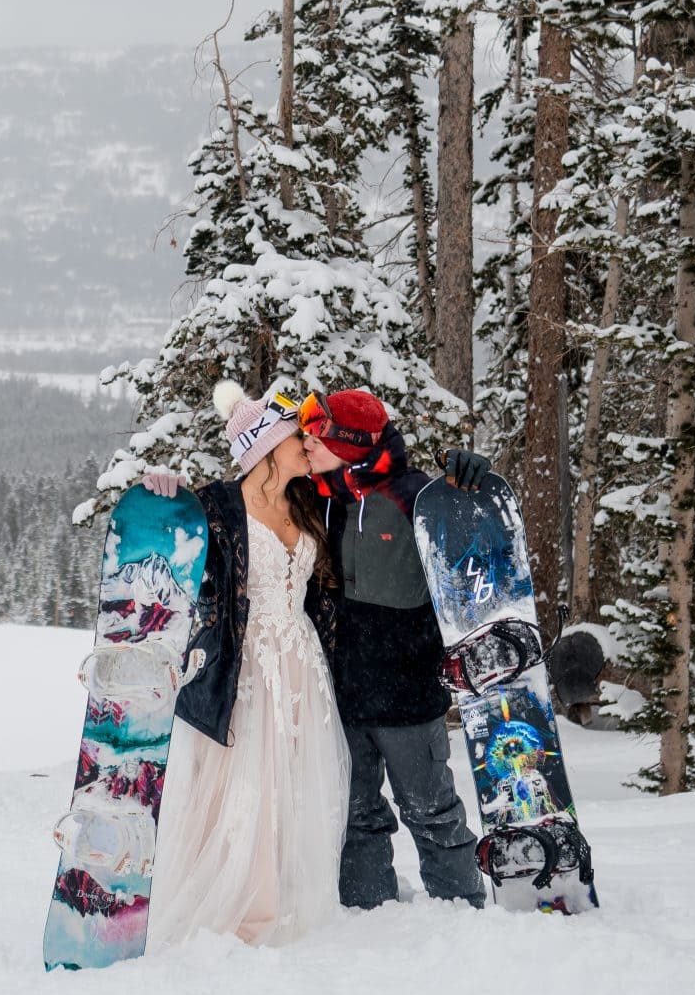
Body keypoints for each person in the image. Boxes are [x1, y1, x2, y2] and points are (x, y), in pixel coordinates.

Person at [140, 381, 350, 948]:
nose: (306, 444)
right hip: (244, 666)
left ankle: (278, 897)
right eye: (294, 437)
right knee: (243, 786)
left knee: (289, 786)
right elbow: (169, 544)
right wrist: (162, 494)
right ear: (265, 448)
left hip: (301, 666)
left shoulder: (310, 503)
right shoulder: (218, 507)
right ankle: (242, 909)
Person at [294, 388, 489, 910]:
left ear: (351, 442)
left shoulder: (419, 497)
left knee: (431, 810)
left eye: (317, 434)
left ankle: (465, 914)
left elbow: (477, 558)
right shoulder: (316, 498)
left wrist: (471, 484)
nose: (306, 443)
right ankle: (365, 917)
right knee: (355, 814)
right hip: (340, 697)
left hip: (406, 696)